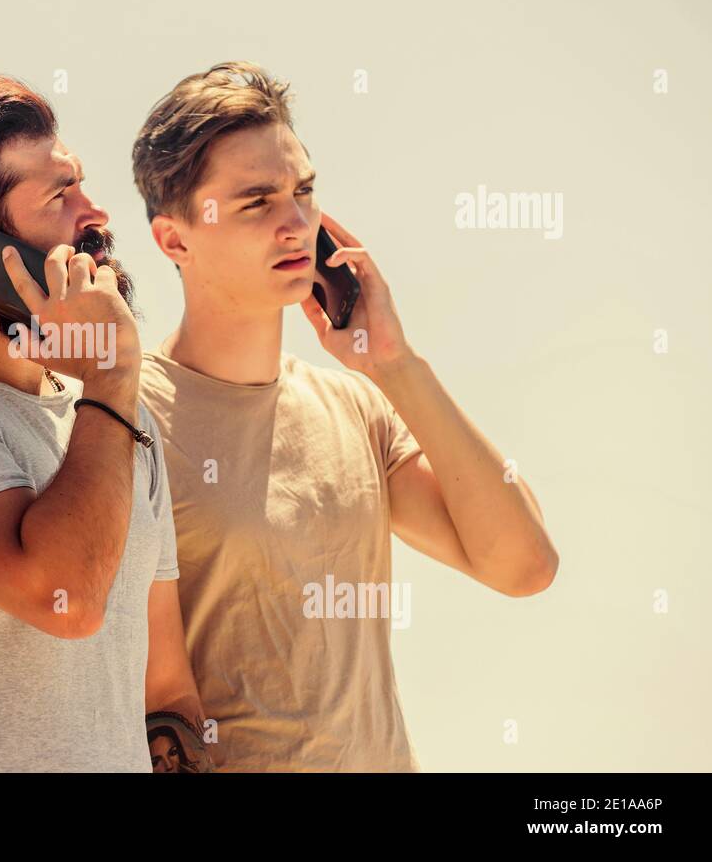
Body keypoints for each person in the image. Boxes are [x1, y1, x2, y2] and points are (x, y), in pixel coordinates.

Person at [131, 61, 560, 771]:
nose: (296, 223)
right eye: (256, 201)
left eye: (303, 192)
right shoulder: (127, 416)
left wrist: (396, 366)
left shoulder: (356, 406)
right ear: (175, 240)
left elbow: (525, 564)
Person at [0, 74, 211, 772]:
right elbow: (66, 600)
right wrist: (112, 373)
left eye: (80, 184)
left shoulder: (118, 413)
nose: (95, 214)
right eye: (60, 195)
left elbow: (166, 685)